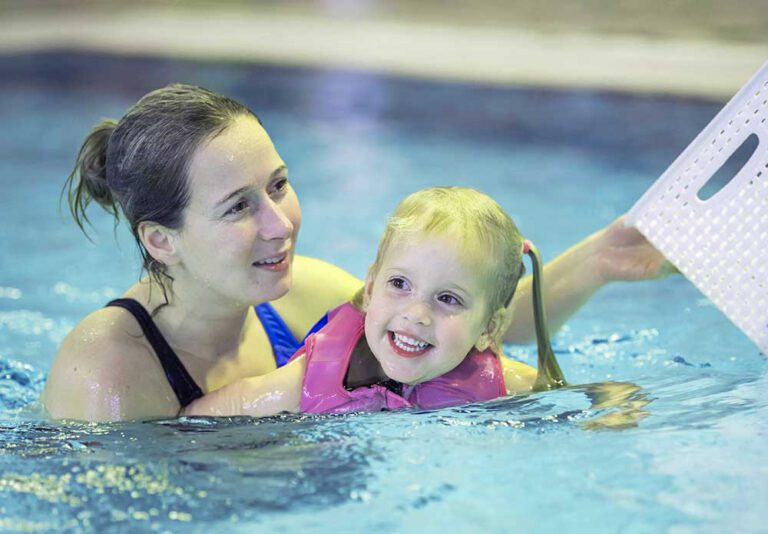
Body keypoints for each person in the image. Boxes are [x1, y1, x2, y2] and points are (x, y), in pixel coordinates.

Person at [42, 84, 672, 422]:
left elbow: (465, 328)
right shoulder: (109, 376)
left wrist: (599, 262)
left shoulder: (299, 291)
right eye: (238, 206)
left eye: (279, 186)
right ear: (160, 240)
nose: (279, 223)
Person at [183, 187, 567, 416]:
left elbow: (585, 405)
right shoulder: (308, 380)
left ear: (489, 329)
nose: (416, 314)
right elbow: (211, 414)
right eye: (399, 283)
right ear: (370, 289)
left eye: (448, 298)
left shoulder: (503, 384)